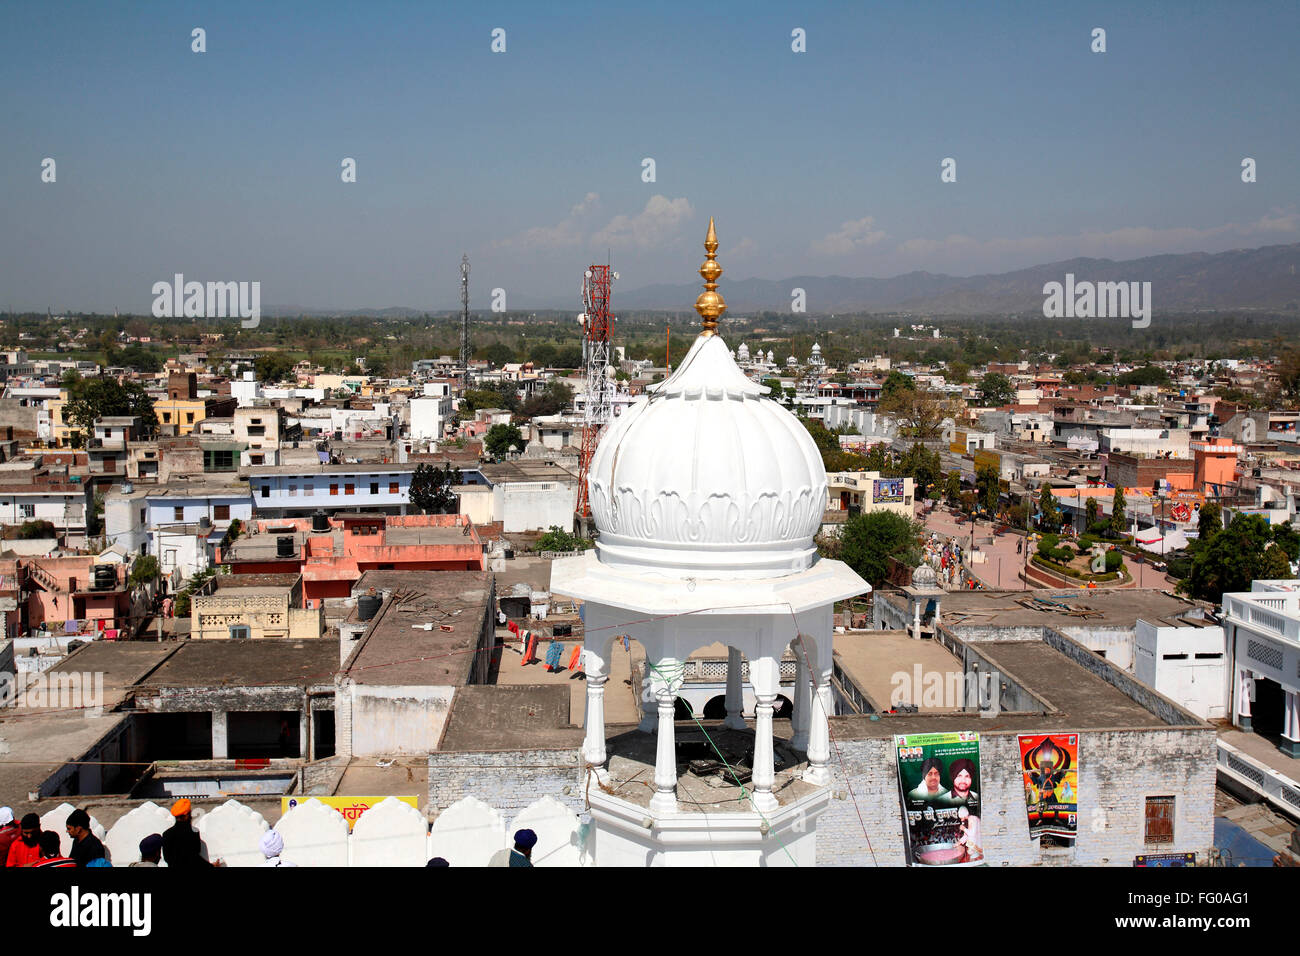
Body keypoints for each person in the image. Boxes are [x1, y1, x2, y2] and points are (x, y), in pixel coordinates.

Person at [163, 798, 222, 868]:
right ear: (186, 816)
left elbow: (167, 859)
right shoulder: (192, 833)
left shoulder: (166, 834)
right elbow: (194, 858)